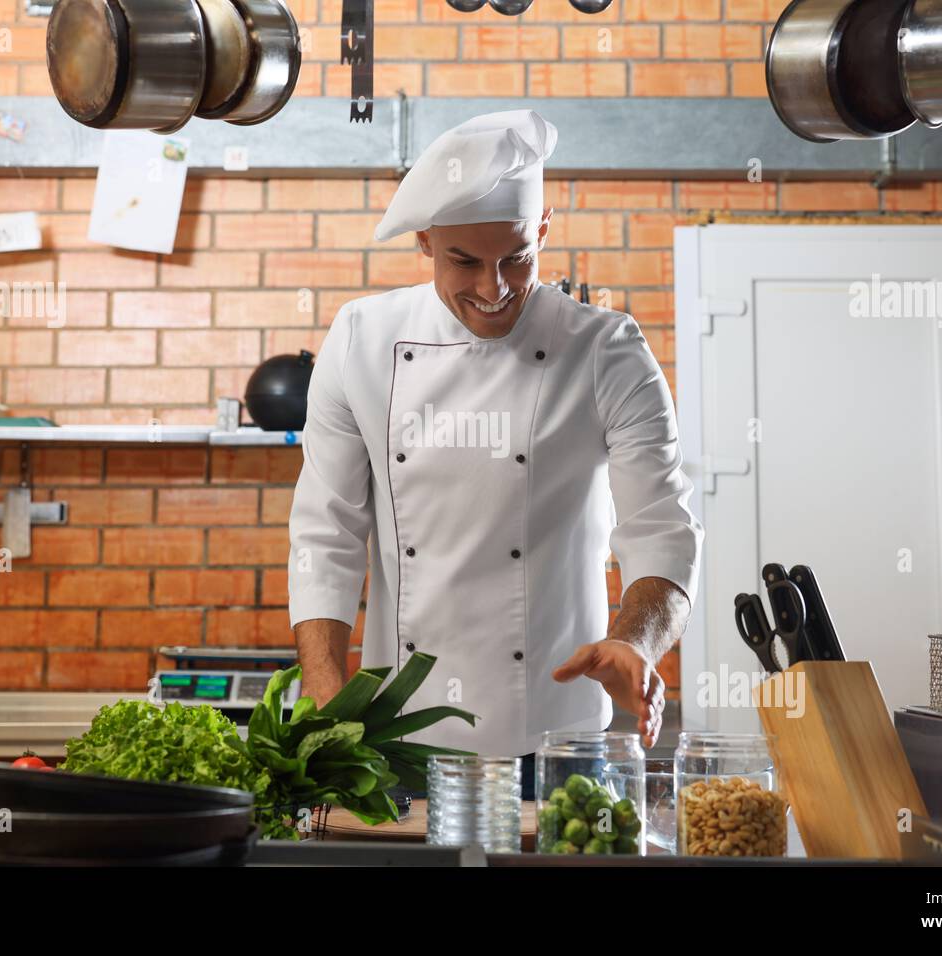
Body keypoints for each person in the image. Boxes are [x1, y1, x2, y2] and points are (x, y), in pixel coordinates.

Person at [286, 110, 703, 799]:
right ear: (424, 241)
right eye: (464, 262)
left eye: (515, 259)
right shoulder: (362, 341)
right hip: (398, 744)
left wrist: (636, 641)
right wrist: (326, 694)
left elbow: (661, 527)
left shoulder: (606, 350)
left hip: (560, 744)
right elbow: (326, 532)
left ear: (541, 231)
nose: (493, 288)